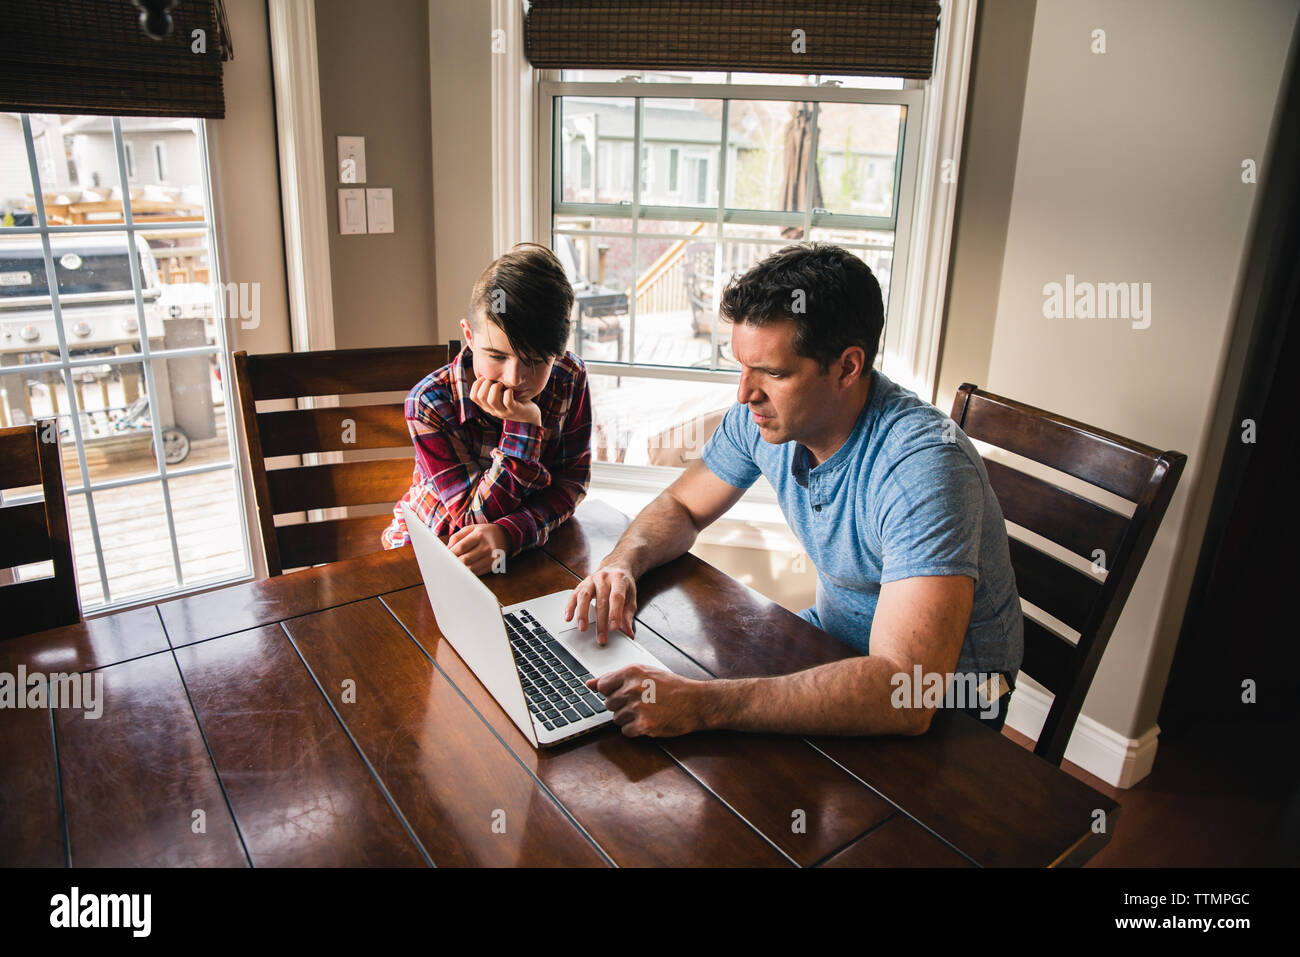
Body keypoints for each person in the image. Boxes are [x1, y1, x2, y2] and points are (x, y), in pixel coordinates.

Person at [565, 243, 1023, 737]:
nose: (745, 394)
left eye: (773, 373)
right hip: (834, 642)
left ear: (848, 367)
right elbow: (682, 506)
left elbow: (908, 693)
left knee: (706, 729)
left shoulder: (924, 468)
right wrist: (621, 563)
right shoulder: (766, 417)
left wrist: (705, 706)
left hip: (950, 703)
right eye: (741, 366)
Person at [382, 243, 592, 573]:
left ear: (559, 353)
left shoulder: (569, 377)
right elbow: (470, 518)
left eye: (536, 361)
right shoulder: (428, 403)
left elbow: (571, 483)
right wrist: (523, 432)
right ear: (468, 336)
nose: (514, 378)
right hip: (431, 553)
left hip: (526, 552)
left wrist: (509, 535)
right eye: (496, 356)